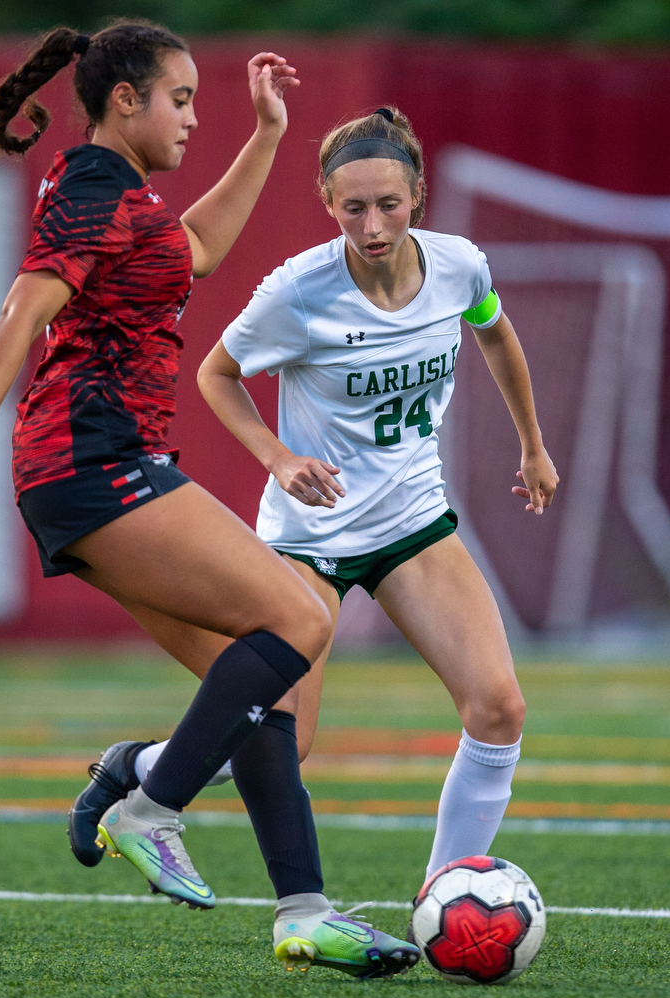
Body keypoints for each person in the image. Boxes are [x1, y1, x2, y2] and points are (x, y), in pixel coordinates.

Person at [0, 23, 418, 978]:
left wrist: (266, 134)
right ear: (125, 100)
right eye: (180, 99)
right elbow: (25, 306)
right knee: (301, 616)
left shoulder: (117, 195)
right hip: (95, 462)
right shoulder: (97, 190)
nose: (192, 117)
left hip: (92, 471)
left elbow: (199, 249)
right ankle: (153, 802)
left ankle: (294, 905)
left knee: (279, 714)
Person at [134, 106, 558, 886]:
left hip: (412, 526)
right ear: (329, 205)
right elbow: (215, 374)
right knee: (284, 746)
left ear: (418, 197)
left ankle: (447, 894)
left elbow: (494, 332)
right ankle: (142, 768)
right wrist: (279, 456)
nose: (372, 224)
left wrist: (532, 443)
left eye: (389, 205)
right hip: (308, 543)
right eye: (353, 207)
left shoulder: (461, 265)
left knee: (499, 709)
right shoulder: (299, 291)